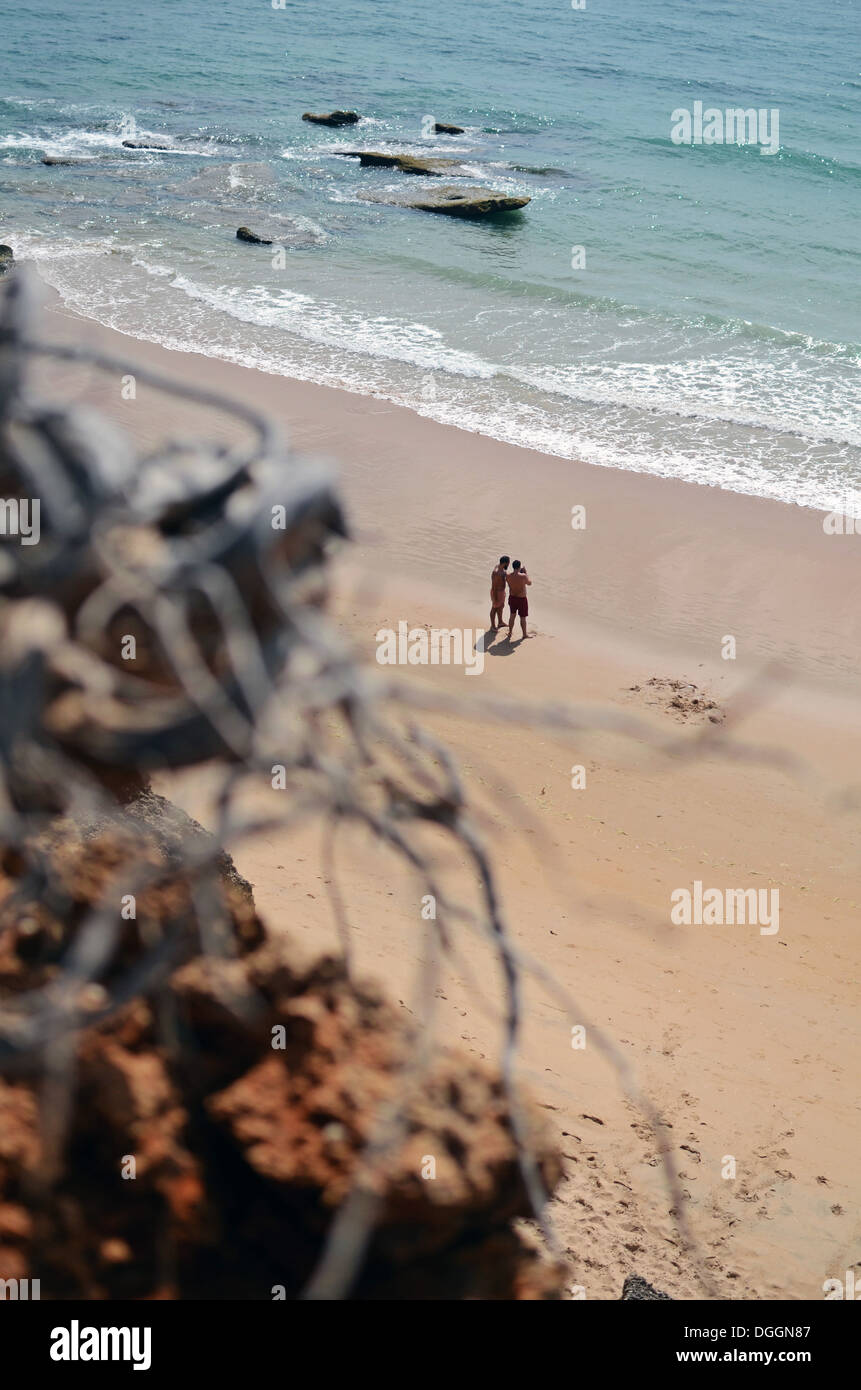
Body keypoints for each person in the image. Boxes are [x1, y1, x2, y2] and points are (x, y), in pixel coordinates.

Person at [506, 559, 532, 640]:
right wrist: (525, 573)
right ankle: (524, 634)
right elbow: (529, 583)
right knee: (523, 617)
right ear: (519, 567)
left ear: (513, 567)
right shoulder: (523, 576)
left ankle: (510, 632)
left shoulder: (508, 576)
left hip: (512, 597)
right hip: (521, 599)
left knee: (512, 615)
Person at [490, 555, 509, 630]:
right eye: (508, 563)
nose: (508, 565)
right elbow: (494, 586)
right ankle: (493, 626)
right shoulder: (497, 573)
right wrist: (494, 597)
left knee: (501, 607)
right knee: (494, 608)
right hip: (496, 592)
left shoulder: (500, 568)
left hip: (501, 591)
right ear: (505, 563)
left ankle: (500, 622)